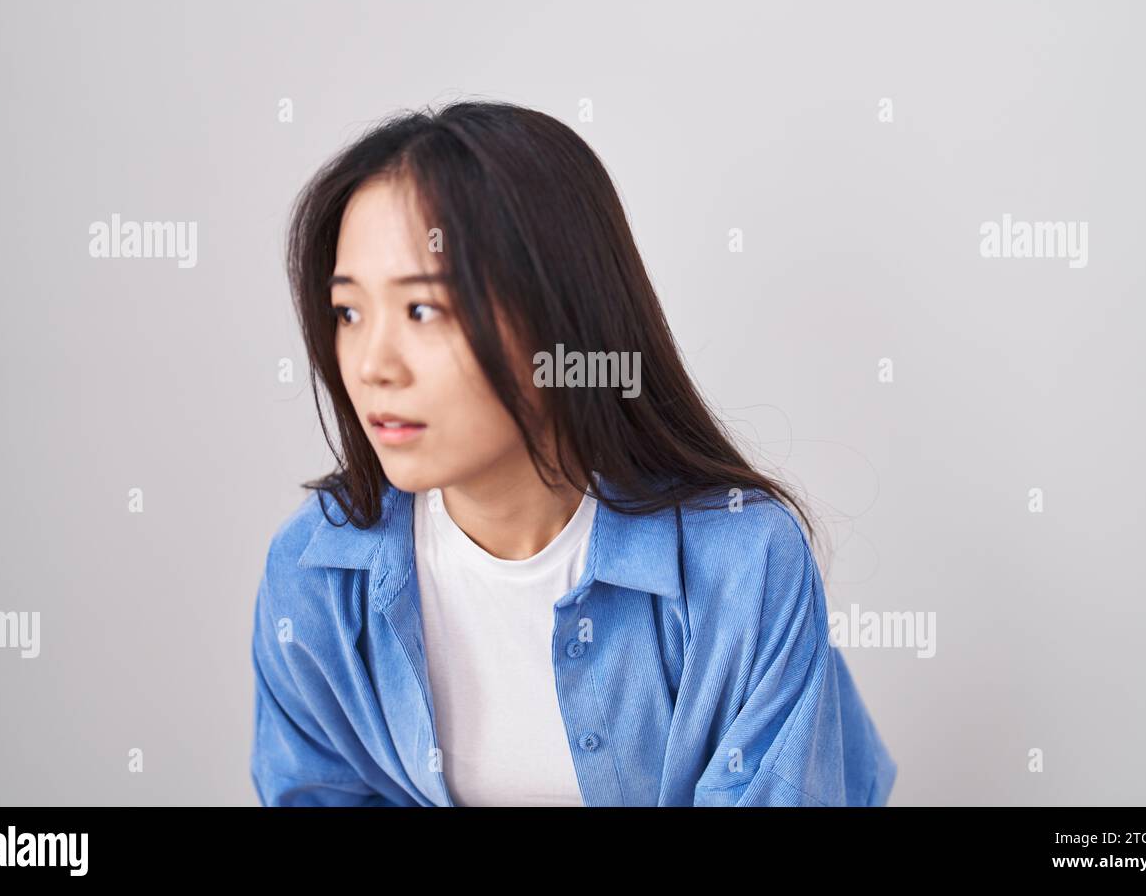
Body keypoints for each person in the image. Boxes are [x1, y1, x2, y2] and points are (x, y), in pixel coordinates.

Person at [250, 100, 897, 806]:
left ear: (560, 317)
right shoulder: (316, 573)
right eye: (348, 312)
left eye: (422, 310)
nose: (373, 364)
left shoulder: (743, 564)